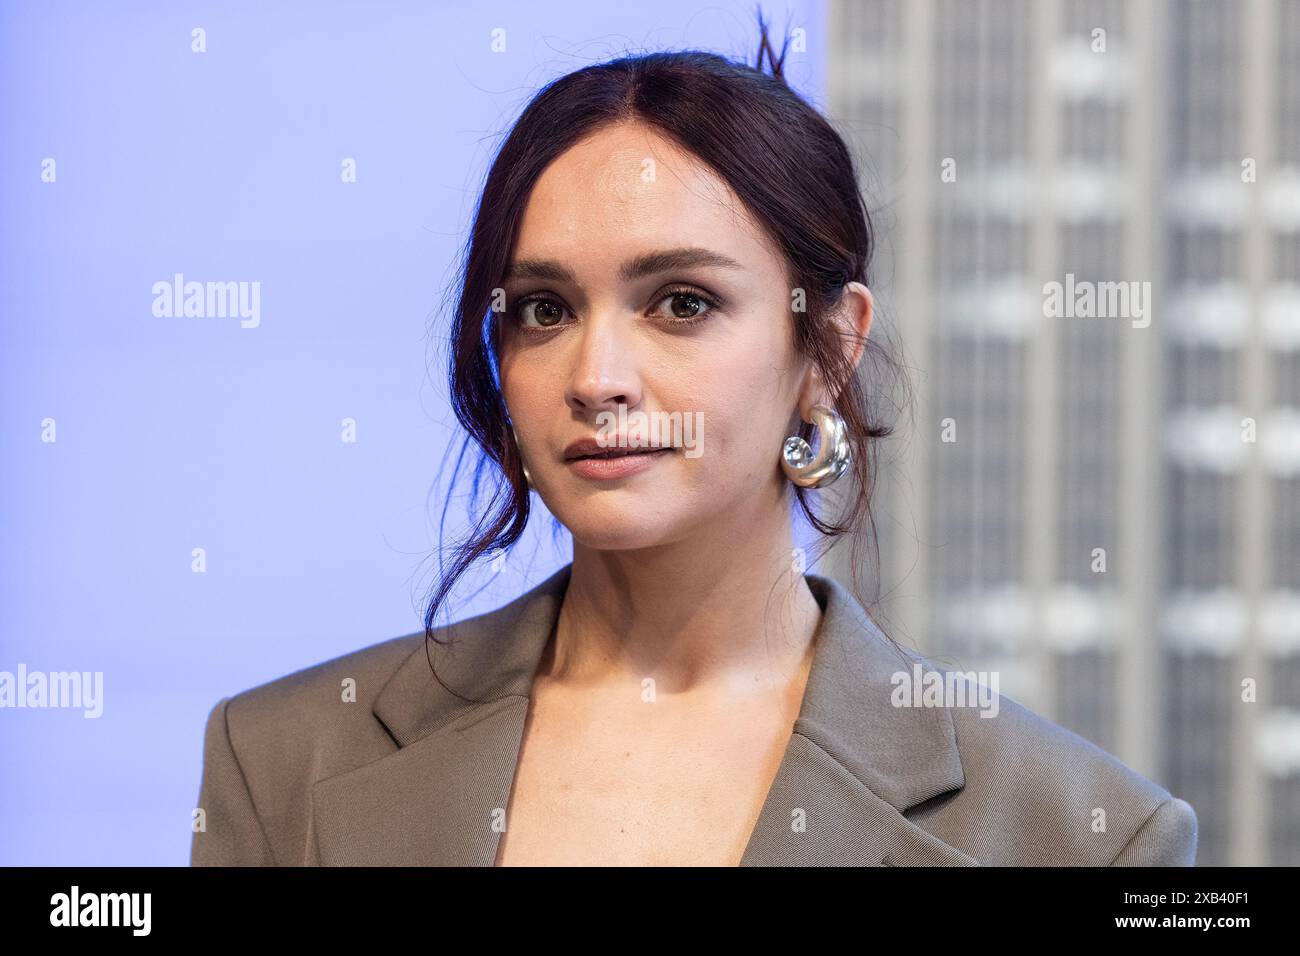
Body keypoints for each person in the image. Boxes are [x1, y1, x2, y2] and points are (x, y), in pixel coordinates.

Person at [190, 16, 1197, 867]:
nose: (596, 377)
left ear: (828, 348)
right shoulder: (285, 758)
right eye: (542, 309)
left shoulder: (1077, 831)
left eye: (681, 301)